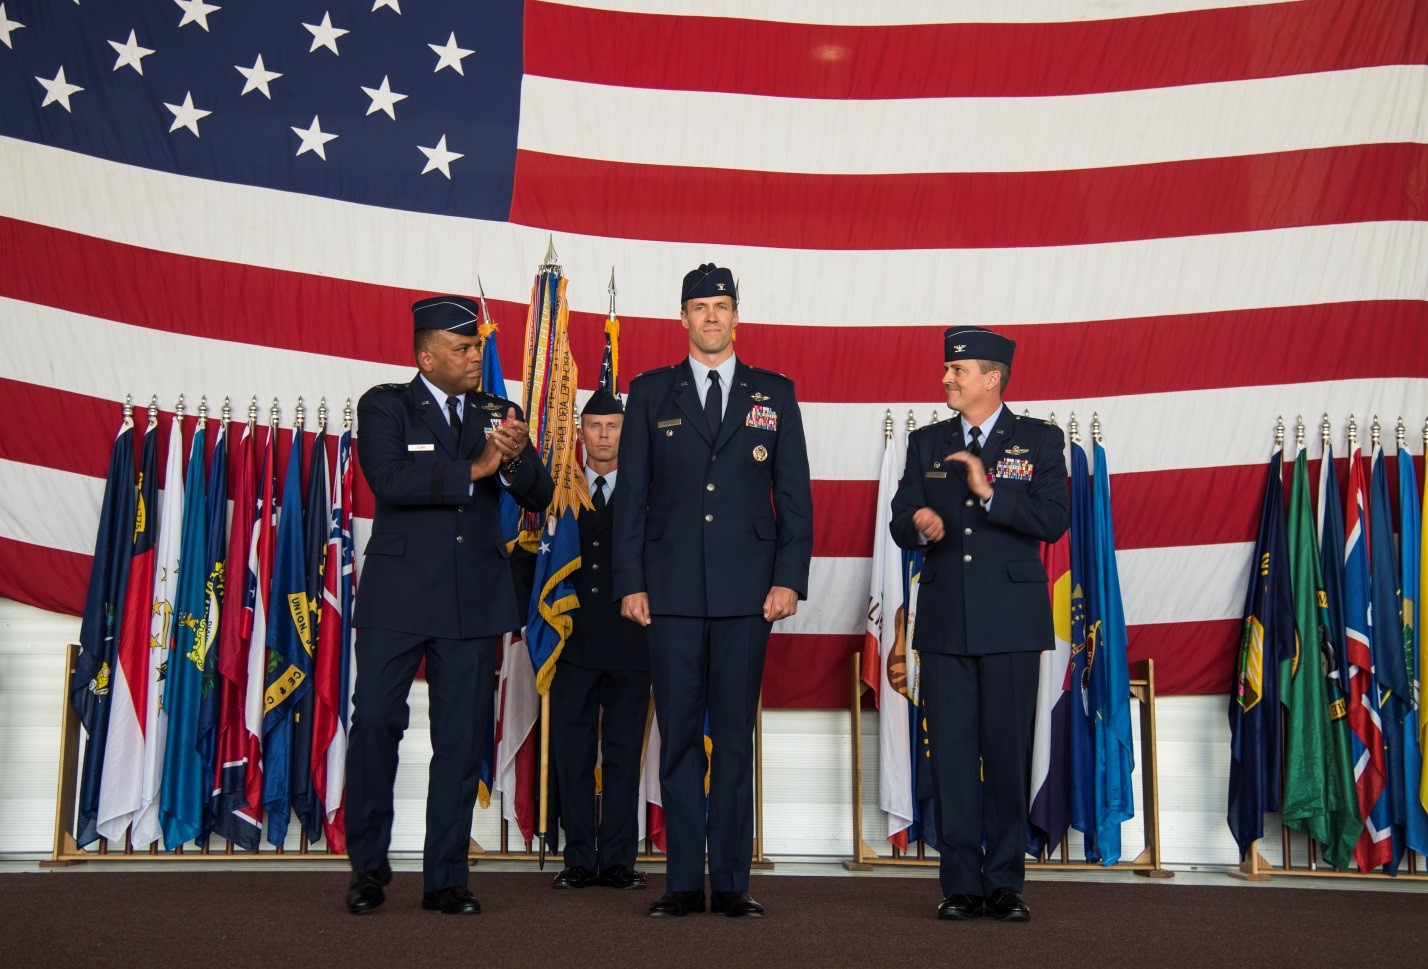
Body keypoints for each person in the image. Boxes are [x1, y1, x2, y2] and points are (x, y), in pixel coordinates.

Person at [614, 263, 813, 918]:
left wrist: (789, 578)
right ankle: (679, 883)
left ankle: (729, 881)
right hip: (668, 593)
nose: (710, 316)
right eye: (698, 306)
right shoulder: (648, 393)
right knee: (675, 740)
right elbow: (632, 500)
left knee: (732, 738)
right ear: (681, 317)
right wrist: (631, 581)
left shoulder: (774, 393)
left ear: (737, 316)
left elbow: (795, 497)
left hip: (748, 594)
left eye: (720, 305)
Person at [344, 295, 553, 916]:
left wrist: (514, 457)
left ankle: (446, 877)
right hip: (398, 597)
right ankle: (368, 867)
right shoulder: (387, 405)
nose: (474, 358)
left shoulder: (497, 410)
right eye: (462, 350)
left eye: (477, 348)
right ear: (426, 355)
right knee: (377, 724)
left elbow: (538, 492)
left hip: (472, 598)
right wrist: (479, 464)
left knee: (460, 741)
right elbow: (391, 480)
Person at [889, 326, 1069, 923]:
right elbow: (899, 522)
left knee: (1006, 755)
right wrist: (918, 520)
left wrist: (988, 492)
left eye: (957, 371)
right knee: (954, 759)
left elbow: (1052, 519)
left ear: (991, 378)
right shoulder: (926, 442)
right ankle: (961, 884)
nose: (946, 379)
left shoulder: (1039, 441)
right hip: (944, 623)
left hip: (1012, 625)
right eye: (947, 370)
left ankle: (1005, 883)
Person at [549, 390, 651, 892]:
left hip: (632, 639)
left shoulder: (646, 489)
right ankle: (577, 858)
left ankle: (617, 859)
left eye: (613, 426)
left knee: (623, 750)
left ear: (625, 431)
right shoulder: (558, 491)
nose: (604, 435)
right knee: (572, 751)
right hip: (572, 640)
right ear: (581, 432)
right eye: (595, 426)